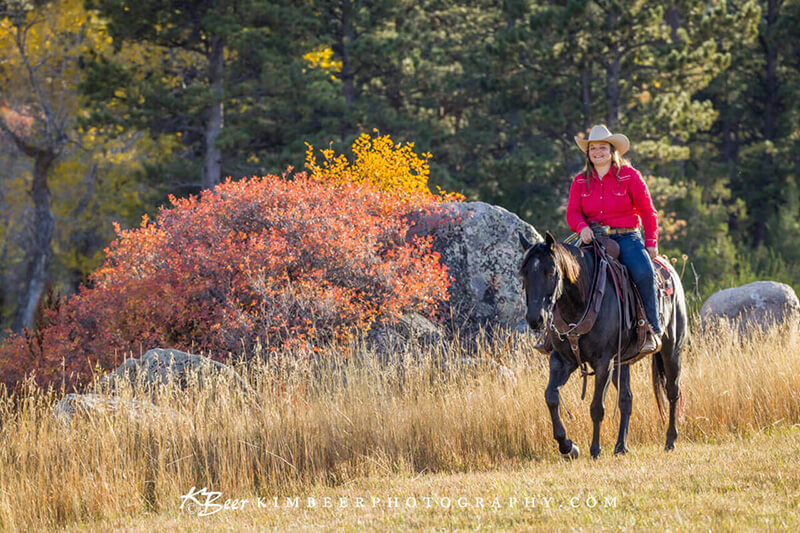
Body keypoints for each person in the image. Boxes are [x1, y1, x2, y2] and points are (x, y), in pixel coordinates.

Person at [536, 124, 663, 355]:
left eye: (603, 147)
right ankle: (551, 333)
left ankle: (651, 330)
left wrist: (651, 242)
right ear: (588, 153)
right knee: (562, 273)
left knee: (644, 273)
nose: (598, 152)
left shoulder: (630, 176)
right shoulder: (579, 181)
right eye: (593, 148)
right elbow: (573, 213)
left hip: (626, 237)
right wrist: (582, 227)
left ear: (612, 150)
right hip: (592, 239)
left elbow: (648, 211)